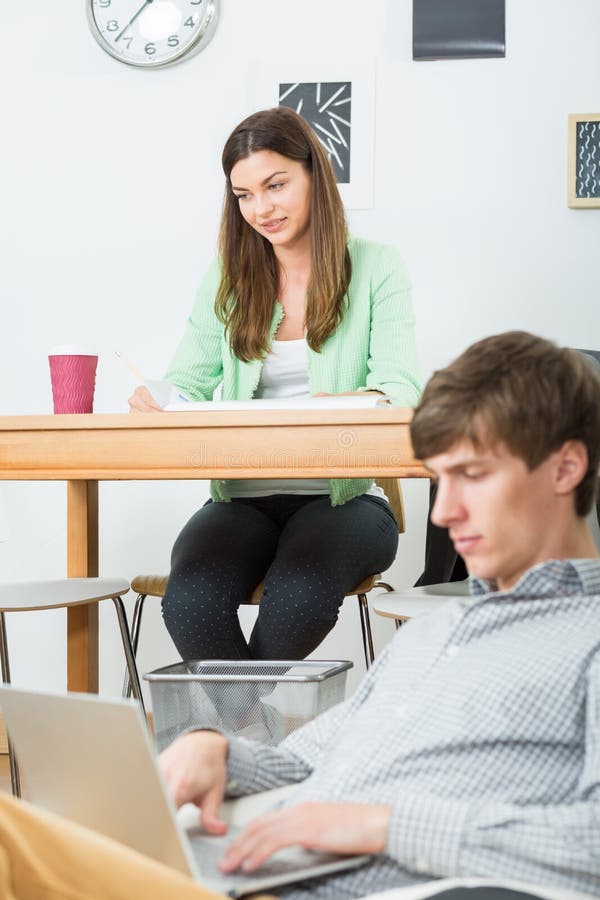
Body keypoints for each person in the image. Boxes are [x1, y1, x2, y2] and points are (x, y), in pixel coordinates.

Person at [2, 331, 599, 900]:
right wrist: (217, 750)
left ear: (566, 468)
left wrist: (382, 825)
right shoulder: (434, 635)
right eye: (439, 480)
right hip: (251, 872)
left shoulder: (587, 639)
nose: (443, 513)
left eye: (472, 476)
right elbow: (302, 759)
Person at [129, 106, 420, 663]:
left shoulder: (378, 267)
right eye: (243, 195)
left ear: (315, 173)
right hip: (241, 500)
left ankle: (240, 742)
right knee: (189, 602)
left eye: (275, 185)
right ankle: (262, 741)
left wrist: (344, 404)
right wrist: (161, 397)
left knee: (299, 596)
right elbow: (188, 381)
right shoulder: (227, 277)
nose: (260, 208)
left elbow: (401, 391)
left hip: (344, 500)